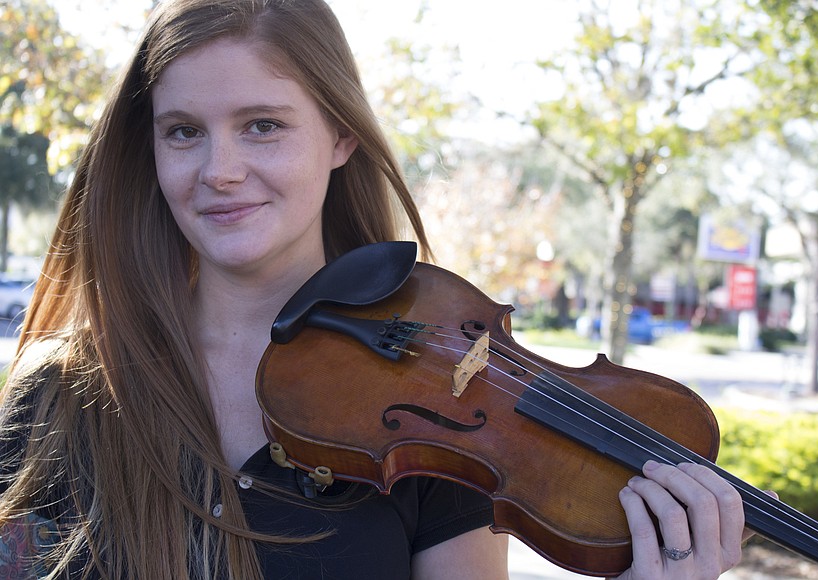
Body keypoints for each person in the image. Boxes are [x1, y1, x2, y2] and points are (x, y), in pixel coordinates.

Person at [0, 0, 750, 578]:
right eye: (184, 131)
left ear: (341, 136)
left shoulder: (441, 409)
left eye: (262, 125)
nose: (219, 170)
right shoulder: (60, 395)